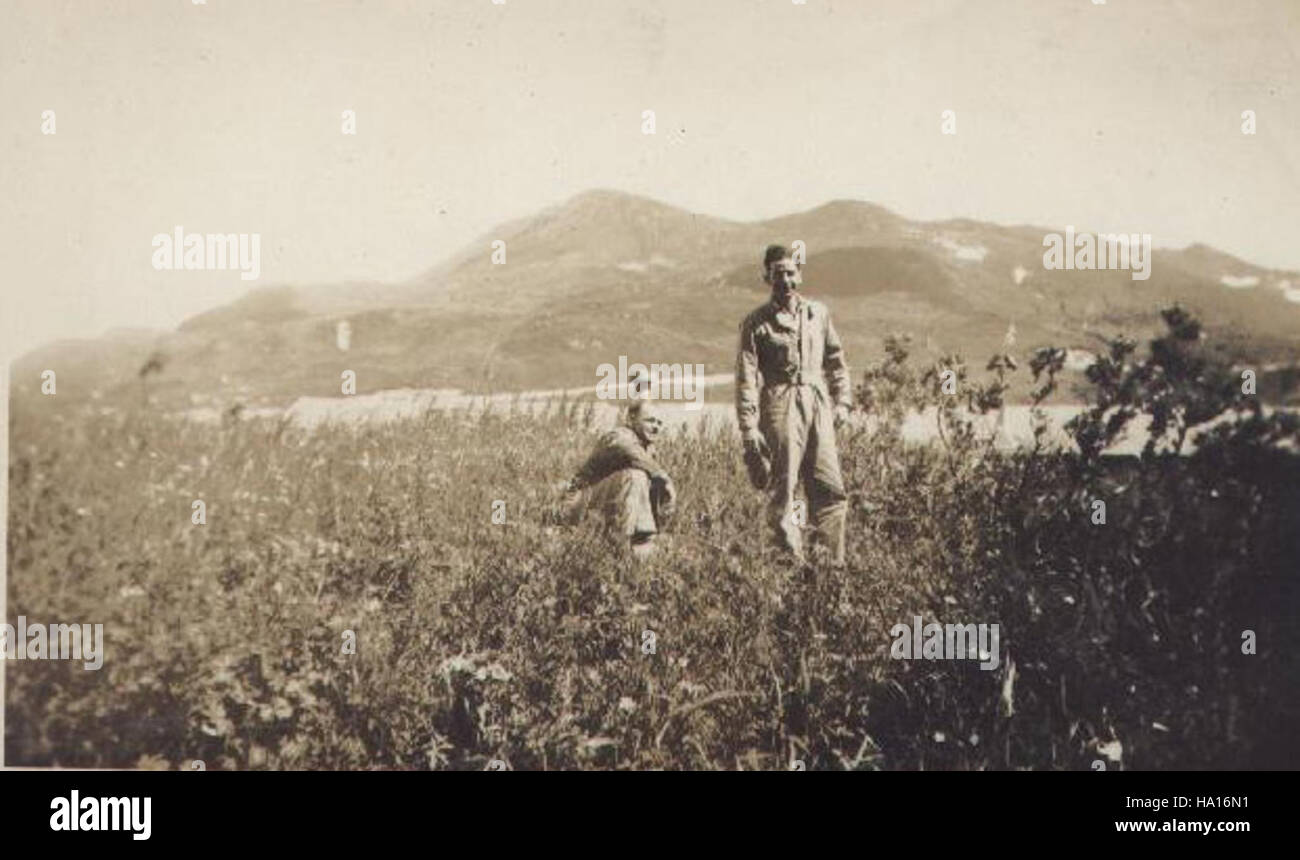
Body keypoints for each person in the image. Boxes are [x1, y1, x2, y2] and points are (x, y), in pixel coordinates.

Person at [736, 244, 851, 565]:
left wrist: (843, 402)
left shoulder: (819, 314)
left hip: (818, 403)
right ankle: (788, 568)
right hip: (779, 404)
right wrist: (748, 428)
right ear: (766, 277)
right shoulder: (755, 324)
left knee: (830, 488)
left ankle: (829, 568)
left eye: (789, 273)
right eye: (777, 274)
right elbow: (746, 380)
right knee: (783, 490)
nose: (784, 280)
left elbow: (836, 361)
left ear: (799, 274)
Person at [562, 400, 676, 559]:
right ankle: (620, 545)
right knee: (635, 476)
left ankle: (642, 538)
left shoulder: (648, 450)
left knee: (647, 480)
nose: (655, 426)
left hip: (601, 509)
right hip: (578, 504)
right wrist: (662, 475)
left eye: (659, 423)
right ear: (631, 419)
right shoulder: (618, 435)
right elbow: (627, 450)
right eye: (650, 420)